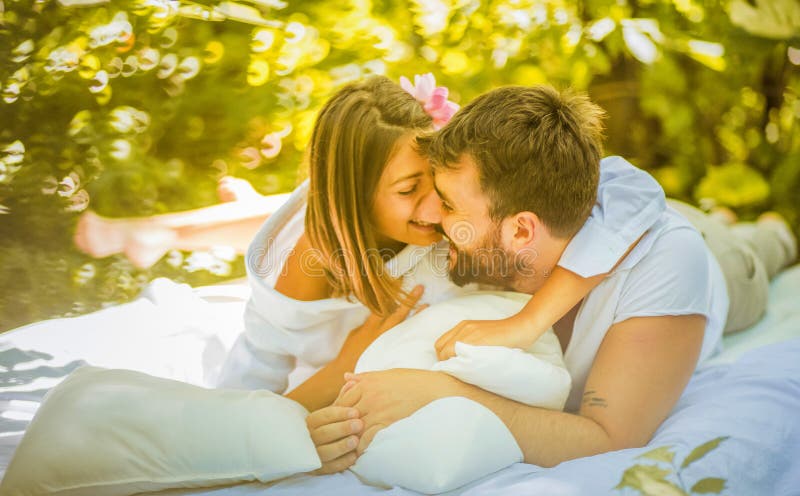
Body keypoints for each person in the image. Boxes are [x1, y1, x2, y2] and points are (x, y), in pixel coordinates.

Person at [213, 76, 670, 474]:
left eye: (433, 180)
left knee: (720, 255)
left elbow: (632, 191)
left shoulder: (436, 230)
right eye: (410, 190)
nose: (437, 209)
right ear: (353, 199)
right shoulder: (291, 284)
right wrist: (341, 370)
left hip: (673, 257)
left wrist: (526, 322)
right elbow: (232, 415)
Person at [332, 84, 797, 468]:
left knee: (761, 250)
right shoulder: (485, 234)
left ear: (520, 229)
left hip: (719, 265)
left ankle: (764, 227)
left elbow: (611, 440)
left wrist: (446, 396)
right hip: (590, 225)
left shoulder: (669, 265)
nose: (434, 215)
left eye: (449, 205)